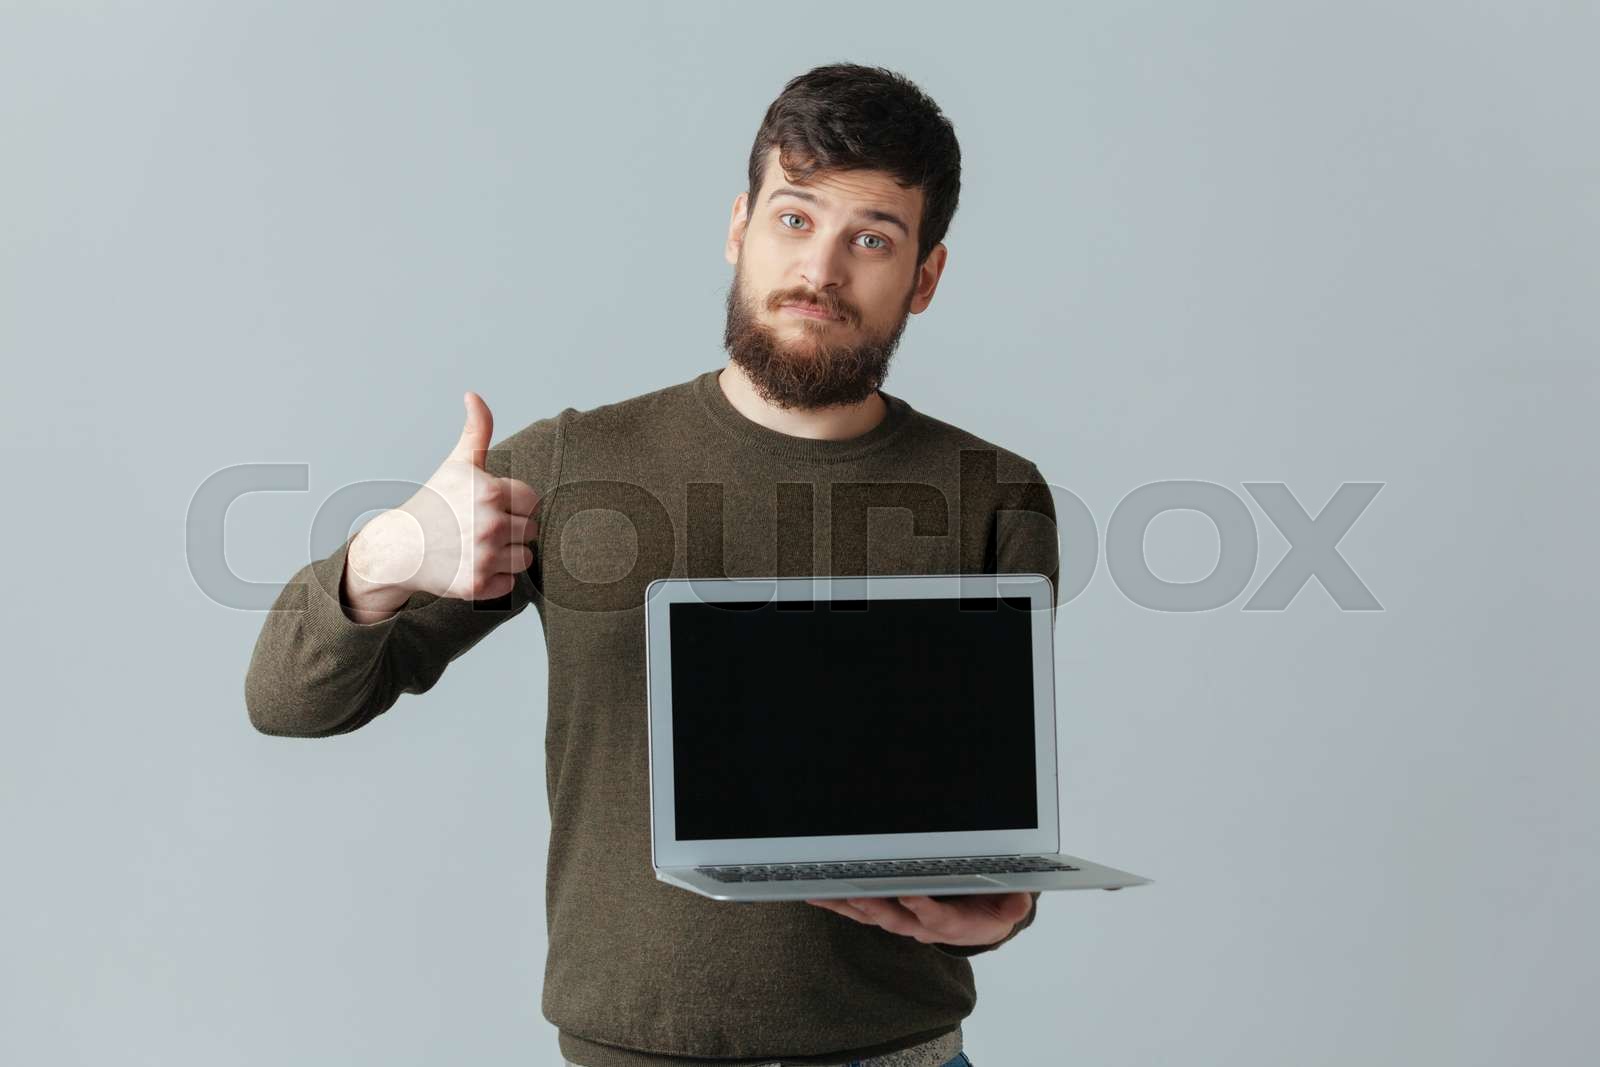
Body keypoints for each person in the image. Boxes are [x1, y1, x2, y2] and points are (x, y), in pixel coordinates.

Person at [246, 62, 1059, 1067]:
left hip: (895, 1048)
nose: (822, 271)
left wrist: (1004, 905)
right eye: (795, 219)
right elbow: (289, 701)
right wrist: (384, 555)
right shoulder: (570, 466)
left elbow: (986, 826)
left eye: (872, 239)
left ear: (924, 277)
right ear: (739, 226)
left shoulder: (993, 493)